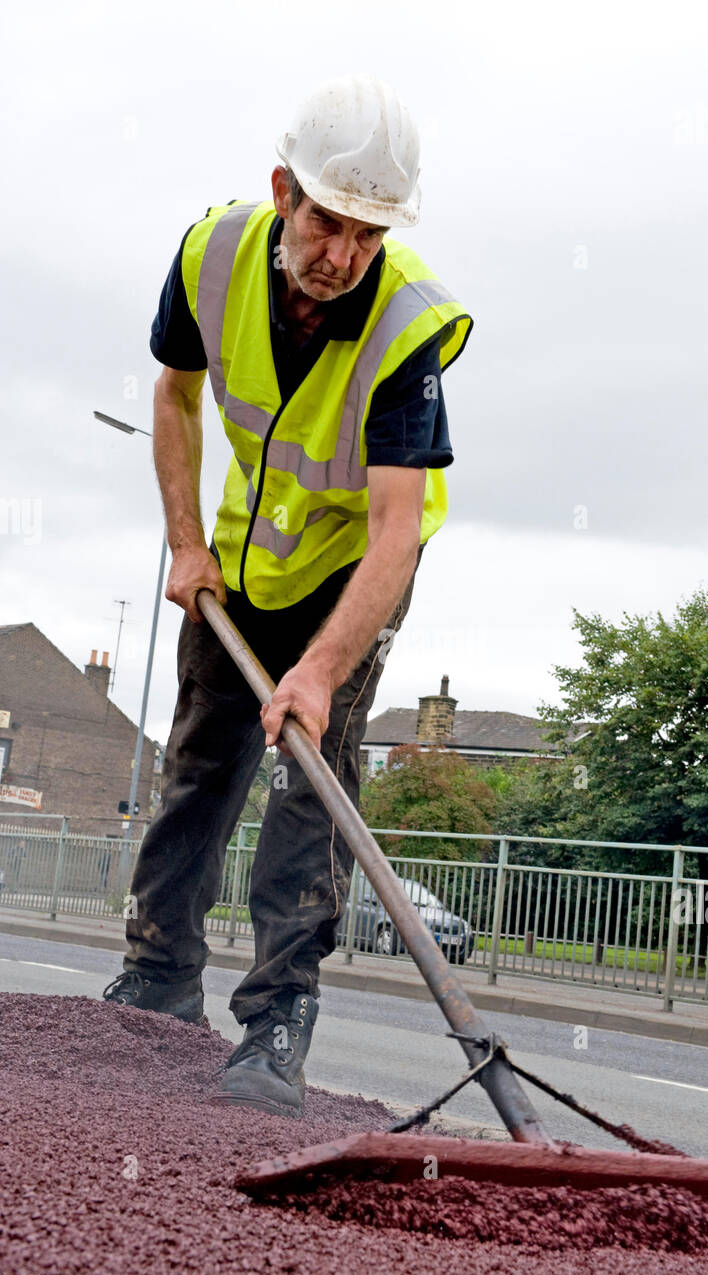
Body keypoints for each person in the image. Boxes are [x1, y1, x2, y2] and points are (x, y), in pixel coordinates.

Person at [102, 75, 473, 1117]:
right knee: (200, 760)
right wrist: (183, 541)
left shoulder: (409, 328)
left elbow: (398, 528)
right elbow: (175, 394)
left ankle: (277, 1020)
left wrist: (318, 671)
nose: (343, 254)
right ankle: (158, 981)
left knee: (312, 777)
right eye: (327, 222)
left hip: (357, 573)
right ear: (282, 192)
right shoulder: (209, 255)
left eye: (369, 234)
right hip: (242, 557)